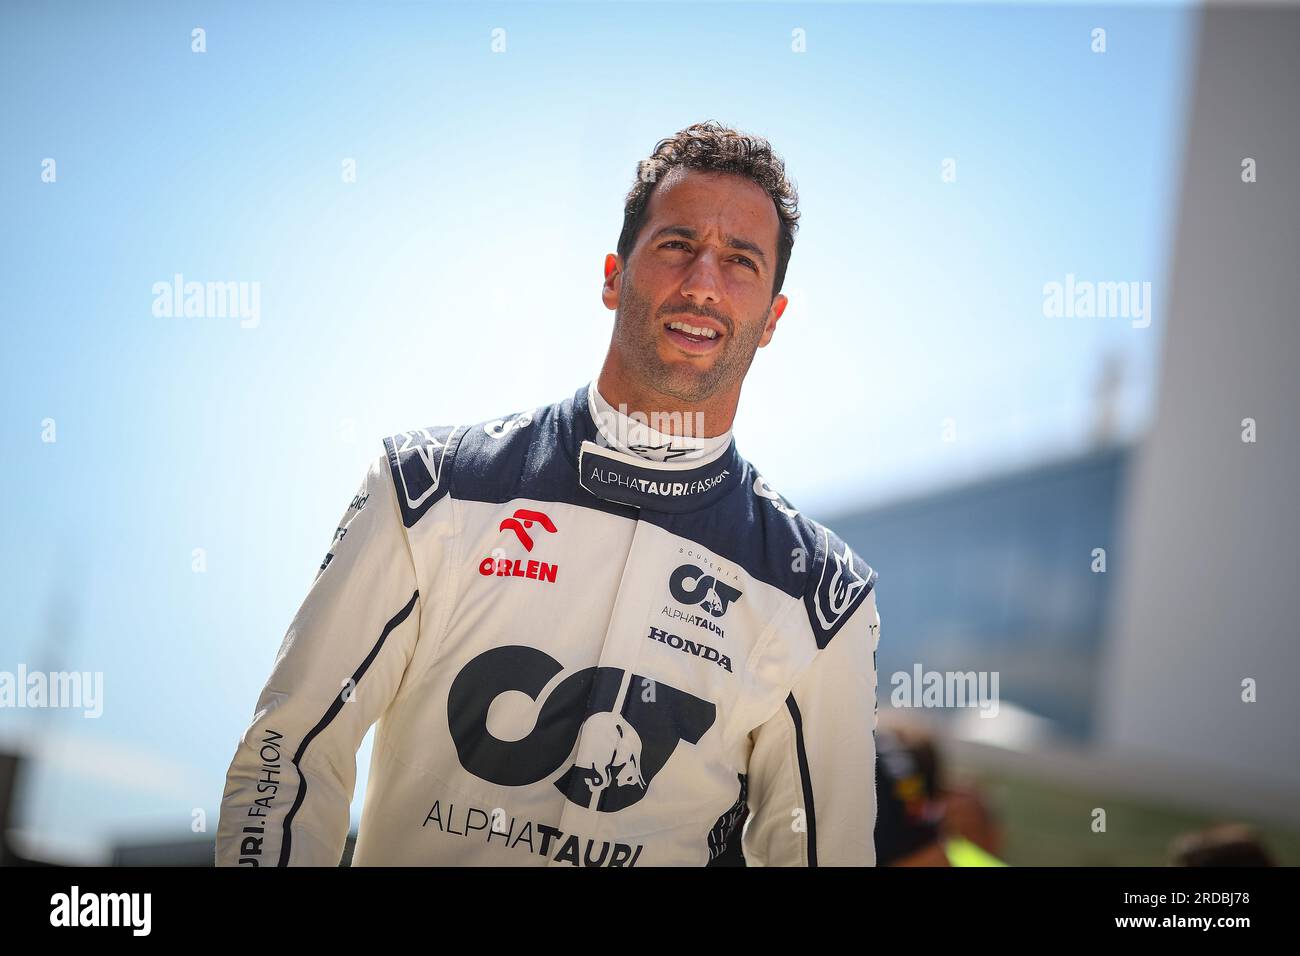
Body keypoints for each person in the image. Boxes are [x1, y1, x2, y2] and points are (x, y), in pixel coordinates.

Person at [216, 120, 882, 867]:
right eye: (675, 245)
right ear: (612, 275)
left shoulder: (820, 597)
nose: (702, 281)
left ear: (771, 321)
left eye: (740, 262)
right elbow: (288, 755)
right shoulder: (429, 492)